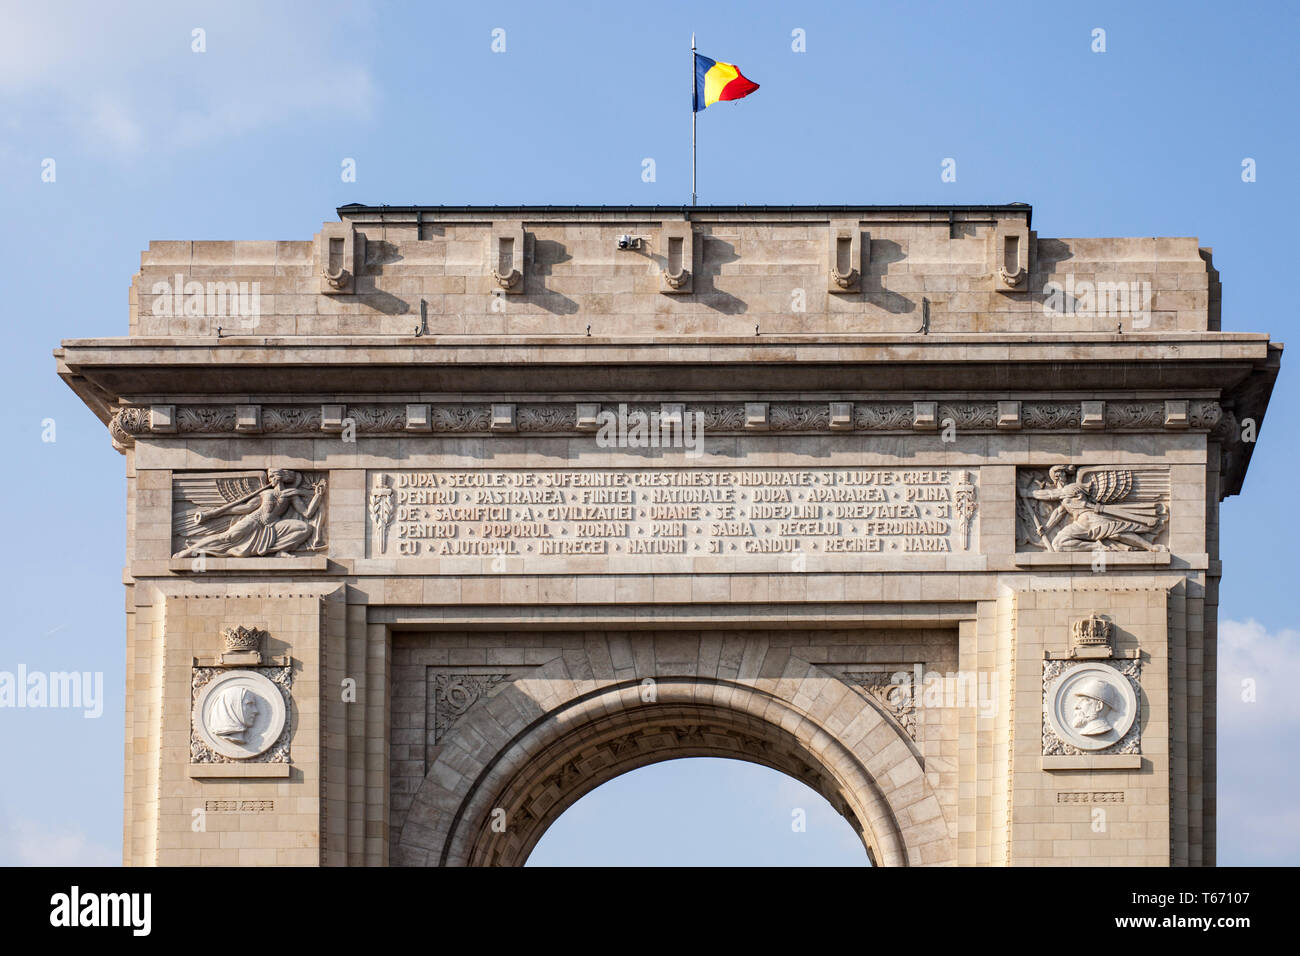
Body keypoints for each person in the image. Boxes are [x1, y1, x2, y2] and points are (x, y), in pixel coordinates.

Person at [175, 468, 324, 558]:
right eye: (269, 476)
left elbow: (308, 514)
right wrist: (215, 514)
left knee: (306, 528)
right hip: (254, 520)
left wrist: (318, 495)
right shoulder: (266, 493)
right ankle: (189, 552)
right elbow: (245, 508)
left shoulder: (292, 494)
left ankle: (281, 551)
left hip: (273, 525)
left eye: (272, 475)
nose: (270, 478)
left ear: (280, 477)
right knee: (226, 537)